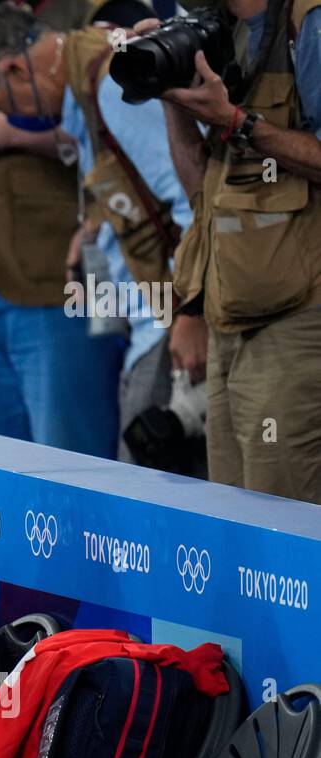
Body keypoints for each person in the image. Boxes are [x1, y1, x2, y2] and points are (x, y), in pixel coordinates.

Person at [0, 2, 200, 468]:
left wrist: (191, 314)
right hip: (152, 320)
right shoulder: (88, 78)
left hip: (169, 323)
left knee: (148, 500)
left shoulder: (114, 83)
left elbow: (194, 204)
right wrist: (96, 219)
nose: (15, 120)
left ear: (15, 69)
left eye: (3, 107)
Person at [156, 0, 321, 500]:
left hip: (297, 316)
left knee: (282, 515)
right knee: (233, 512)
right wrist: (173, 98)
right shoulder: (218, 28)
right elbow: (202, 193)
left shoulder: (308, 23)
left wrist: (237, 122)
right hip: (232, 309)